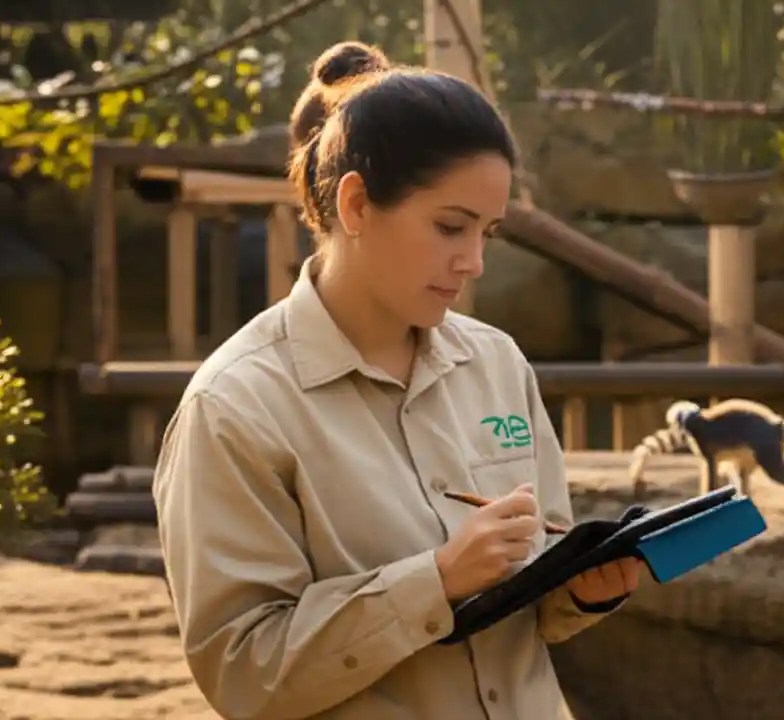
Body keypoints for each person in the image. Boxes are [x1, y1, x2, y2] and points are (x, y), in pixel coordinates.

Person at [152, 40, 642, 720]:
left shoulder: (497, 363)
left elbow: (541, 598)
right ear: (354, 205)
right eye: (450, 227)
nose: (472, 262)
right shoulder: (235, 406)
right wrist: (433, 583)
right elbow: (241, 670)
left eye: (488, 234)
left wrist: (585, 587)